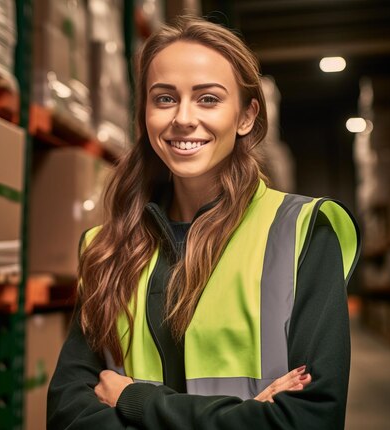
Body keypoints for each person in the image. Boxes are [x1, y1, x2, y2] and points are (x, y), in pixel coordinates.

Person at [47, 15, 361, 430]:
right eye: (164, 99)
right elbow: (67, 412)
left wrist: (134, 400)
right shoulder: (107, 248)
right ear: (144, 114)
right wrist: (247, 414)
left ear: (246, 116)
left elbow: (309, 419)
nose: (183, 118)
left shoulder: (303, 232)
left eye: (208, 99)